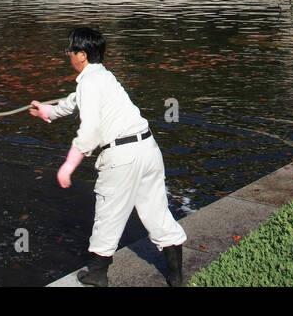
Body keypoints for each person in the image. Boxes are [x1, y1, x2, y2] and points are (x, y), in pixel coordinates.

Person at [30, 27, 187, 287]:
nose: (67, 55)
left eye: (69, 50)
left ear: (81, 55)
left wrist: (68, 165)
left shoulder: (90, 83)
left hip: (121, 157)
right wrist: (48, 111)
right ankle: (176, 276)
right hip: (147, 150)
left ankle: (97, 275)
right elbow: (73, 102)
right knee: (156, 212)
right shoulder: (103, 76)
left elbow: (89, 132)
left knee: (108, 214)